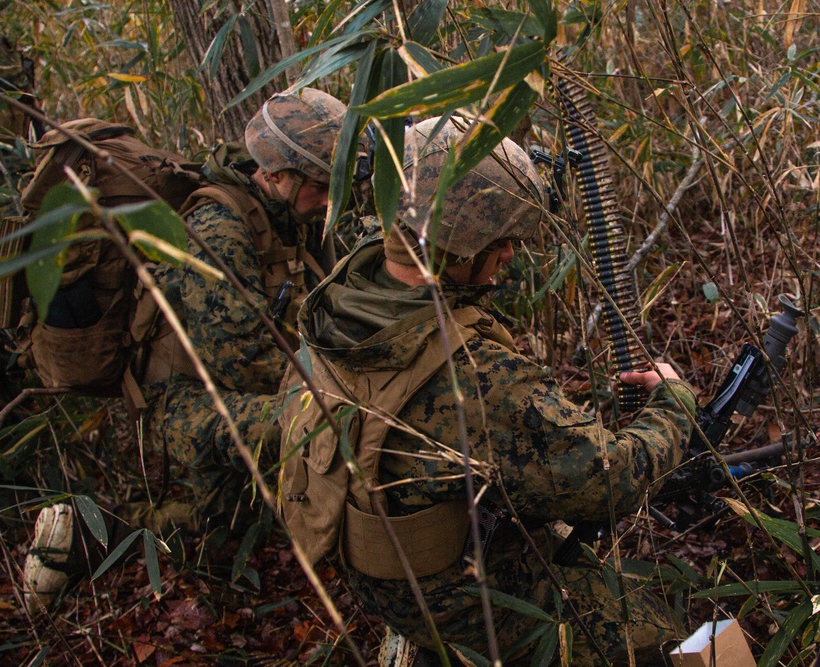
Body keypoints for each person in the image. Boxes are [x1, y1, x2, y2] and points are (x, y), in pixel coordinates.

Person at [281, 117, 699, 664]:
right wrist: (675, 402)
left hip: (379, 587)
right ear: (459, 243)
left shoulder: (340, 298)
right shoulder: (474, 377)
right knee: (653, 628)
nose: (508, 255)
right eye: (499, 240)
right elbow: (610, 480)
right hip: (464, 607)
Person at [22, 87, 351, 615]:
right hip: (178, 403)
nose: (328, 198)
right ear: (280, 175)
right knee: (313, 430)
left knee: (230, 518)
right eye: (319, 185)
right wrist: (342, 394)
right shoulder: (218, 229)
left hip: (230, 390)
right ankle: (87, 532)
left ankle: (118, 530)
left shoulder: (293, 219)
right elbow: (244, 364)